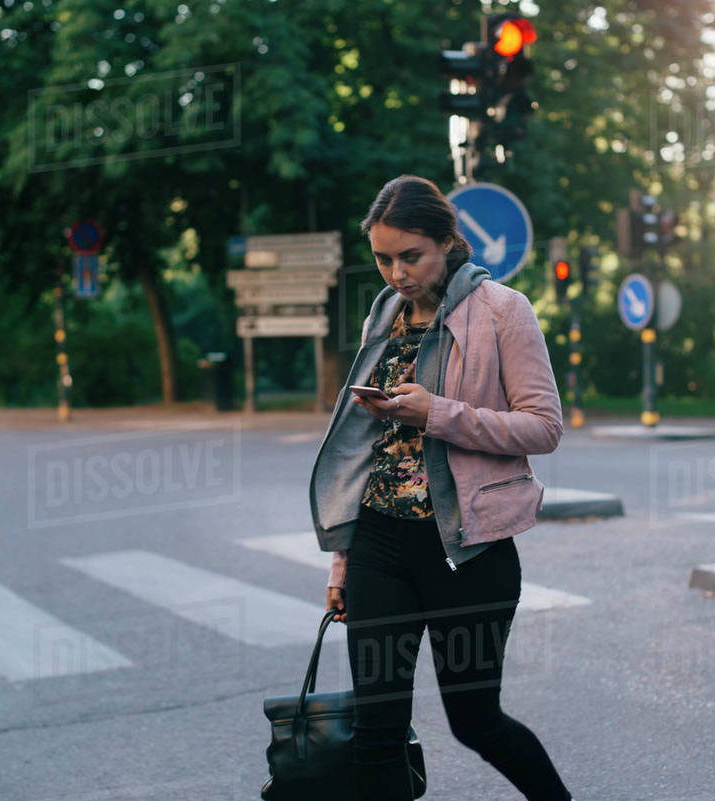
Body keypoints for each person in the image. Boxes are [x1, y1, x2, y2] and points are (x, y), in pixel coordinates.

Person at [308, 175, 575, 801]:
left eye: (411, 256)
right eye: (383, 259)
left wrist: (438, 413)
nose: (397, 273)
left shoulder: (504, 310)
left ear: (448, 241)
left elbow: (543, 427)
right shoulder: (384, 313)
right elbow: (365, 448)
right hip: (379, 544)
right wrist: (343, 562)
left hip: (468, 551)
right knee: (376, 730)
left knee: (476, 722)